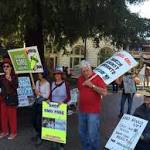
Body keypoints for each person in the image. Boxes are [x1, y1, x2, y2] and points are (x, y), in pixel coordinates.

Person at [77, 60, 107, 150]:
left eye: (87, 70)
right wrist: (78, 105)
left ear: (91, 69)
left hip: (93, 112)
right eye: (83, 71)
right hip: (82, 110)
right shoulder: (80, 79)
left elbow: (105, 92)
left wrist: (92, 86)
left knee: (92, 135)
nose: (85, 73)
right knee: (82, 133)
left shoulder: (97, 78)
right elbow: (80, 92)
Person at [49, 66, 71, 150]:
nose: (57, 76)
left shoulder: (66, 84)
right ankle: (53, 141)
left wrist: (63, 102)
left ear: (61, 75)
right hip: (53, 108)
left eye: (59, 74)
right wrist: (49, 100)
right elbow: (50, 96)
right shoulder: (52, 84)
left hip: (62, 107)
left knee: (61, 125)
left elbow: (69, 97)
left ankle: (61, 143)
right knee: (53, 124)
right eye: (56, 74)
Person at [0, 58, 18, 140]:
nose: (5, 68)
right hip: (3, 98)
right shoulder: (1, 77)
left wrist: (10, 79)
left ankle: (13, 132)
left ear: (11, 67)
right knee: (3, 116)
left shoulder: (14, 76)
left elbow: (16, 86)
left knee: (12, 117)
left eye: (7, 66)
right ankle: (5, 131)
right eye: (4, 66)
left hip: (11, 99)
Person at [32, 72, 50, 145]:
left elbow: (47, 95)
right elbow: (36, 93)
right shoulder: (37, 82)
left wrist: (39, 93)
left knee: (39, 121)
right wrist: (34, 89)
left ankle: (41, 136)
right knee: (33, 120)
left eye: (39, 74)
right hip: (36, 103)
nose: (38, 75)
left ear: (43, 75)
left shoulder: (47, 84)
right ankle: (39, 133)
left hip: (43, 104)